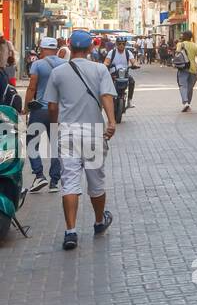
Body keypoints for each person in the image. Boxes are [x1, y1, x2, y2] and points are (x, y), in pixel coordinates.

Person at [46, 29, 117, 250]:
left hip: (68, 133)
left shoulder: (58, 72)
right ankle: (98, 222)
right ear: (90, 48)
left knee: (69, 182)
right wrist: (112, 122)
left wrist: (57, 127)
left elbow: (51, 106)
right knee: (96, 182)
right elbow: (106, 96)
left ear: (69, 46)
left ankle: (70, 231)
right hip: (94, 132)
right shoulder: (100, 69)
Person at [23, 37, 66, 194]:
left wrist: (26, 108)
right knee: (55, 144)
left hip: (40, 110)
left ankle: (39, 175)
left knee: (31, 142)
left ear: (43, 49)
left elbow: (31, 87)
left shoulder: (38, 64)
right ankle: (54, 181)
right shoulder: (64, 64)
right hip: (57, 110)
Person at [104, 37, 138, 112]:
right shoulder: (112, 52)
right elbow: (106, 61)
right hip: (114, 73)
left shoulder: (128, 53)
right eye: (119, 43)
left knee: (132, 81)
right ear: (116, 44)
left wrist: (135, 65)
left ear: (125, 44)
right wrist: (106, 64)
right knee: (106, 84)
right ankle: (106, 101)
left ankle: (129, 101)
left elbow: (133, 61)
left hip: (124, 73)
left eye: (123, 44)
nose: (121, 45)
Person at [174, 30, 197, 111]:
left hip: (183, 67)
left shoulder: (180, 44)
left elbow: (177, 54)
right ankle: (188, 103)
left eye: (182, 35)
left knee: (183, 86)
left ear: (185, 36)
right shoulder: (195, 45)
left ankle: (185, 102)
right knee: (190, 88)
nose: (181, 36)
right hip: (193, 69)